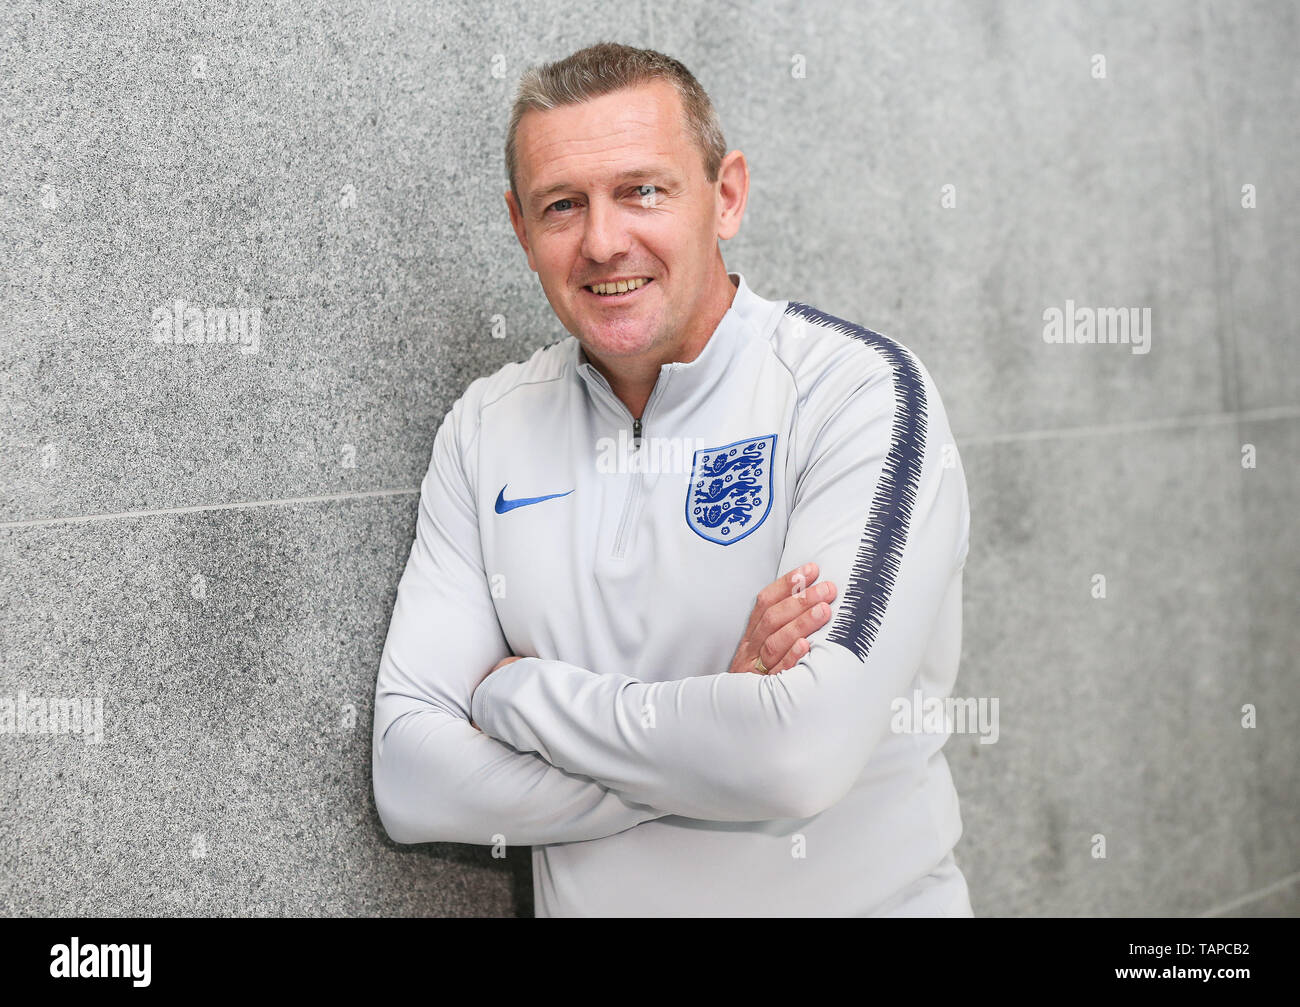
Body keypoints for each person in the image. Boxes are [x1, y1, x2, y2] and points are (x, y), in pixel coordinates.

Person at [371, 41, 973, 916]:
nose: (604, 241)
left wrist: (516, 692)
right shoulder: (486, 428)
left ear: (725, 196)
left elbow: (797, 756)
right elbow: (411, 777)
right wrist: (717, 736)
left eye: (642, 191)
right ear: (520, 226)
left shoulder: (857, 393)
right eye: (563, 205)